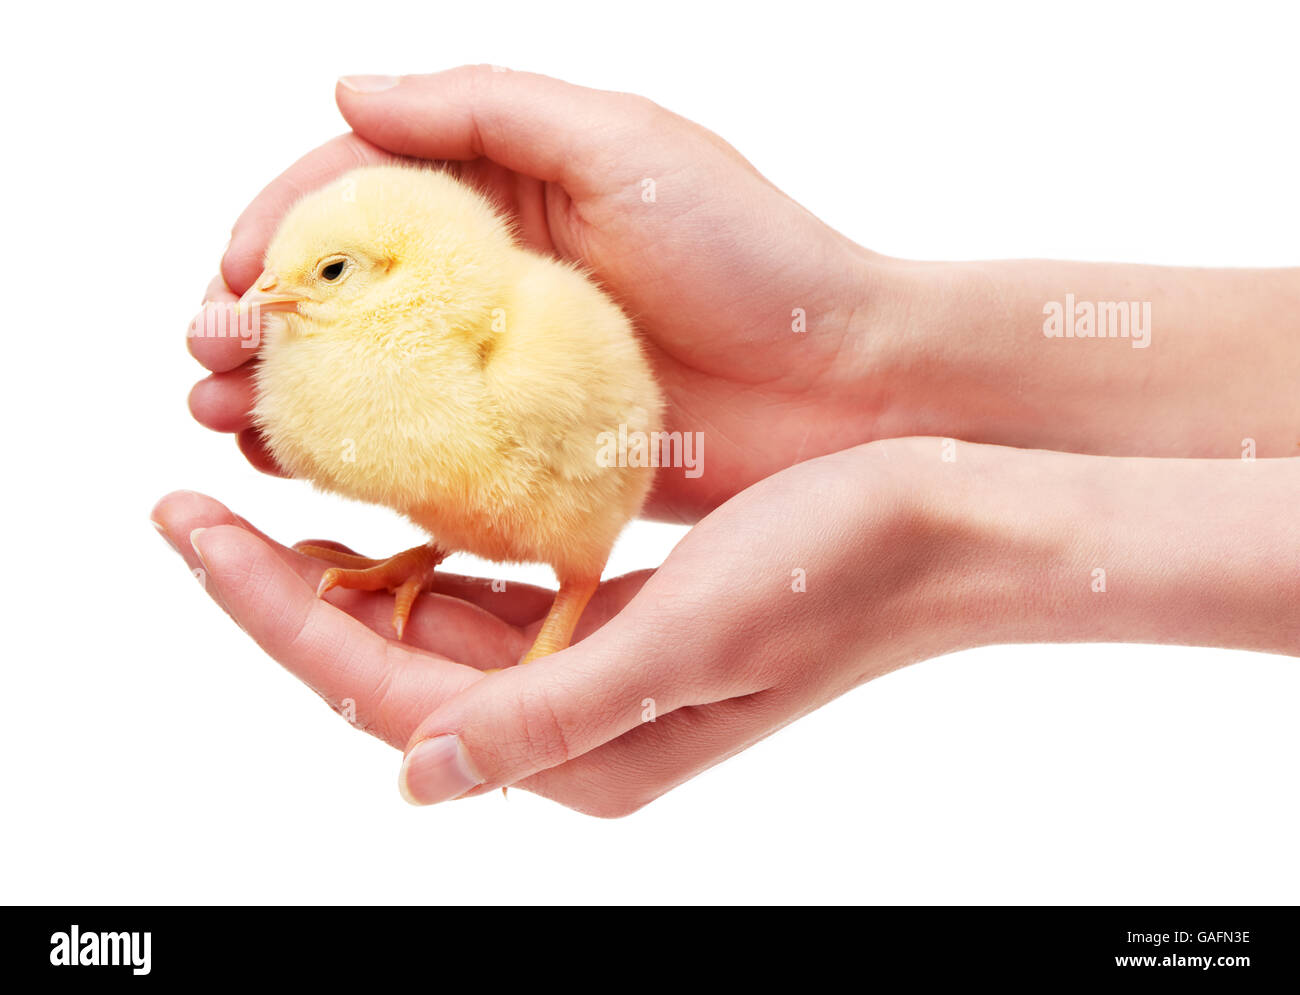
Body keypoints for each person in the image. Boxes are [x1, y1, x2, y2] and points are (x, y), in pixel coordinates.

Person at [154, 67, 1300, 817]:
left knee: (543, 514)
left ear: (401, 273)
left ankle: (567, 595)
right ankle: (428, 555)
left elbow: (585, 431)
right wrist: (858, 355)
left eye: (329, 275)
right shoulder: (349, 356)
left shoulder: (523, 340)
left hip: (554, 474)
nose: (285, 298)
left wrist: (943, 531)